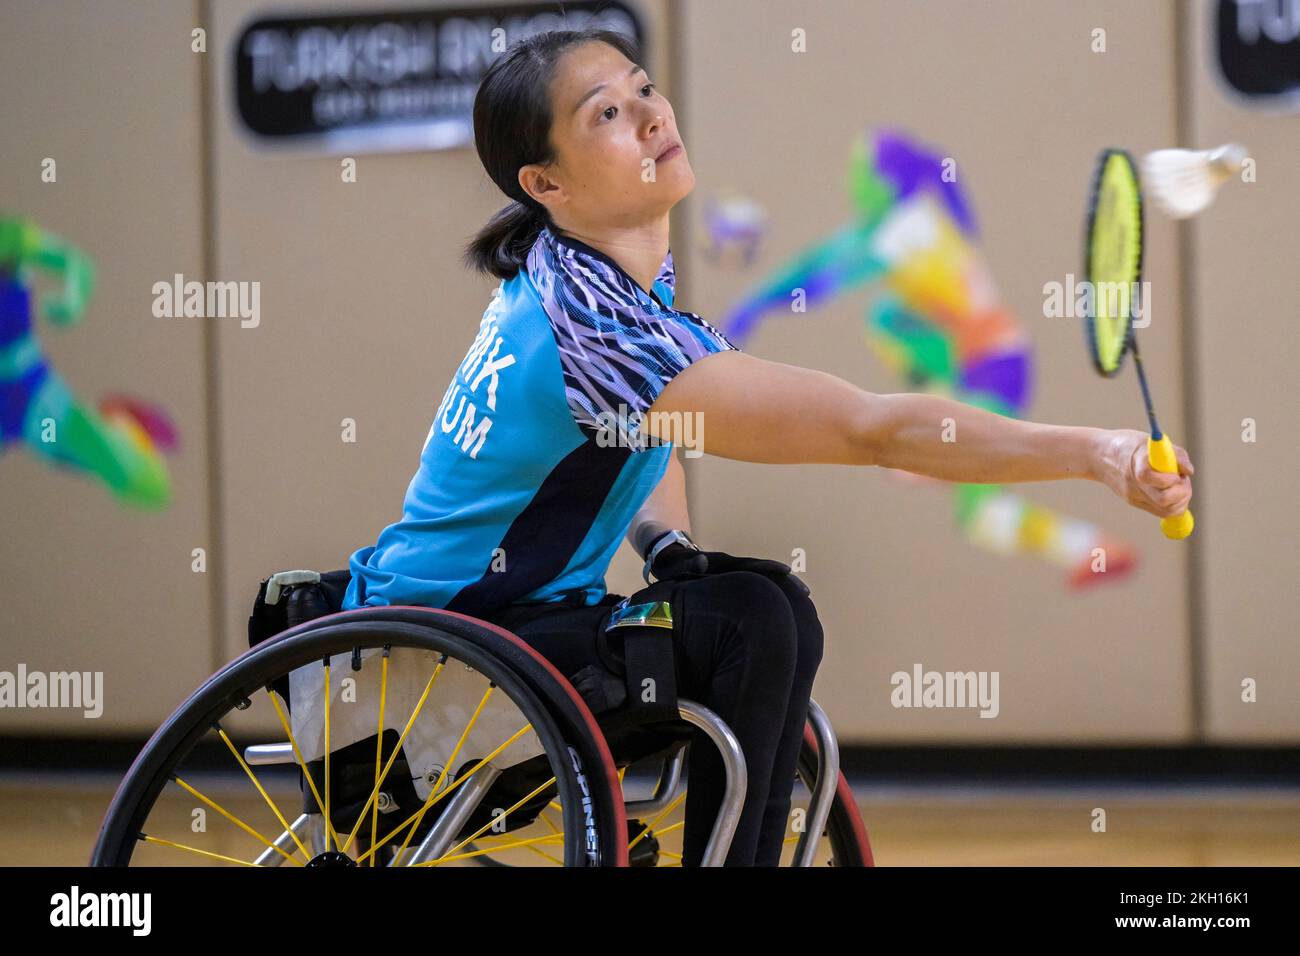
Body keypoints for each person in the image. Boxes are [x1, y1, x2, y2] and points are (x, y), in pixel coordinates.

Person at [341, 28, 1194, 866]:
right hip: (429, 671)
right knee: (750, 620)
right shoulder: (593, 323)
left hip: (482, 633)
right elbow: (874, 429)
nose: (648, 116)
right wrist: (1095, 453)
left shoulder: (587, 278)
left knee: (762, 598)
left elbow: (633, 429)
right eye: (606, 113)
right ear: (546, 181)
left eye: (643, 89)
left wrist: (668, 548)